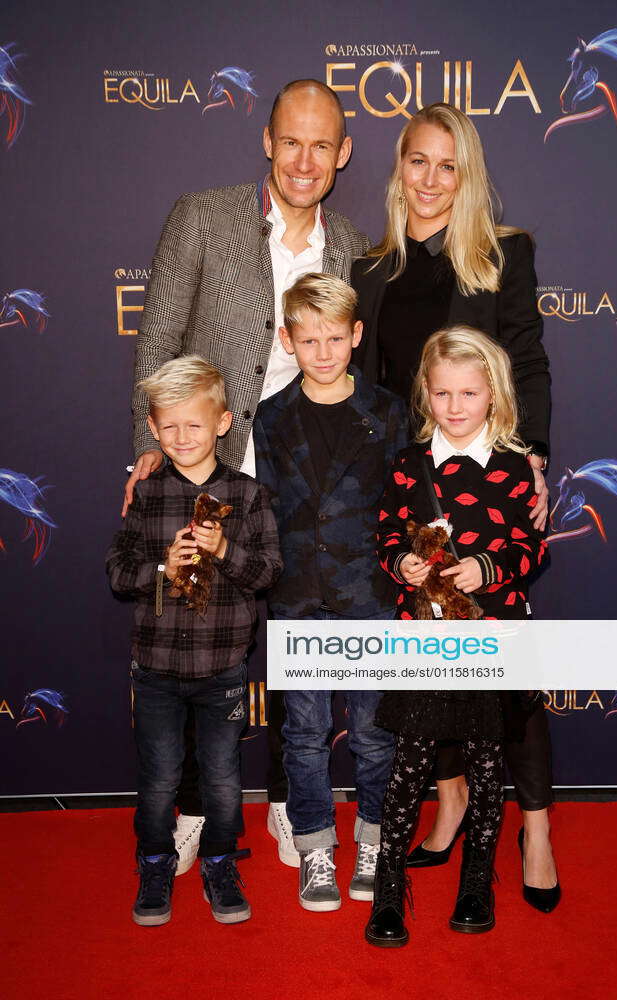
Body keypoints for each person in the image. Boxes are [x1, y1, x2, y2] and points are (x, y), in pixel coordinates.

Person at [124, 79, 369, 871]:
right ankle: (195, 807)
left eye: (321, 145)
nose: (304, 160)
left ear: (342, 154)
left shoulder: (352, 244)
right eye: (290, 141)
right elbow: (158, 338)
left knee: (296, 649)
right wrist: (149, 447)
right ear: (267, 141)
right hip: (209, 471)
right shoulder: (202, 215)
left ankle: (288, 806)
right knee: (202, 647)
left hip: (305, 488)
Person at [351, 102, 559, 907]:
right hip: (415, 487)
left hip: (490, 478)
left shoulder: (502, 255)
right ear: (397, 168)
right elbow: (370, 390)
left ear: (466, 174)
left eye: (448, 165)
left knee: (508, 676)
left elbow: (527, 361)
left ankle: (534, 829)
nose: (431, 179)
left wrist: (531, 458)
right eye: (418, 161)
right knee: (428, 657)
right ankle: (451, 803)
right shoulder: (371, 271)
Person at [365, 326, 549, 947]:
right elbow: (387, 535)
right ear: (426, 392)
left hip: (494, 633)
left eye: (469, 393)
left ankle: (476, 886)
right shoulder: (408, 464)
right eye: (442, 393)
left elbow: (531, 546)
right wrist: (402, 564)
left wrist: (487, 569)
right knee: (408, 766)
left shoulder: (515, 468)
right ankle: (389, 892)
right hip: (425, 637)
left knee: (486, 763)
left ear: (493, 393)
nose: (455, 406)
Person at [106, 357, 282, 926]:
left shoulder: (248, 496)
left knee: (223, 779)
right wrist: (163, 568)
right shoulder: (147, 494)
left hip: (223, 668)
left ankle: (220, 862)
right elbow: (118, 572)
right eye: (170, 427)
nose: (182, 438)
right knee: (159, 778)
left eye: (195, 425)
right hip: (155, 667)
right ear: (152, 429)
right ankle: (155, 862)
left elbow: (269, 573)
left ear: (223, 423)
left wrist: (224, 550)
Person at [253, 273, 407, 911]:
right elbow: (265, 508)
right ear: (287, 340)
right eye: (309, 339)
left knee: (372, 732)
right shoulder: (270, 416)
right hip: (296, 597)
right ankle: (316, 847)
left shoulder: (388, 411)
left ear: (357, 335)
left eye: (335, 338)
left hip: (369, 595)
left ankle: (374, 839)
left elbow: (403, 505)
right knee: (305, 734)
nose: (323, 352)